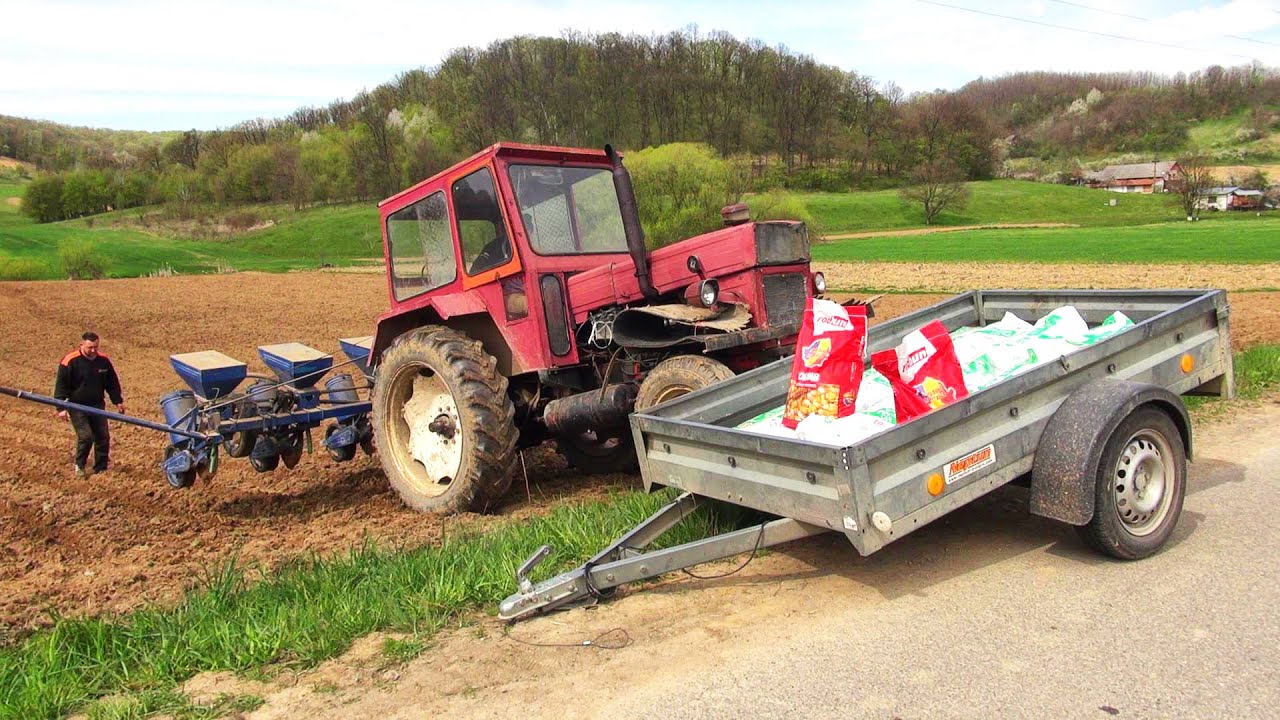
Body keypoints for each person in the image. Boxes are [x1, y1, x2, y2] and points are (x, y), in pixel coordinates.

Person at [54, 331, 125, 477]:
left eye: (96, 347)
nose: (93, 351)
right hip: (77, 405)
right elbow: (61, 385)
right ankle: (79, 465)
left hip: (97, 404)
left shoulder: (103, 360)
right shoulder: (70, 361)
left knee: (103, 436)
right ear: (82, 345)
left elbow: (112, 382)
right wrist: (61, 408)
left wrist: (118, 401)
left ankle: (101, 468)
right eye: (90, 347)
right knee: (86, 436)